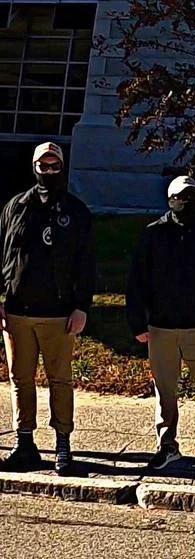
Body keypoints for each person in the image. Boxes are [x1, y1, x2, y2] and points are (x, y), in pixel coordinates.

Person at [126, 177, 195, 473]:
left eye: (191, 197)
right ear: (170, 200)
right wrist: (138, 323)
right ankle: (167, 445)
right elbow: (137, 282)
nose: (186, 203)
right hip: (161, 327)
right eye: (180, 197)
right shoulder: (153, 235)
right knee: (165, 392)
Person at [0, 142, 94, 476]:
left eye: (55, 166)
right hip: (17, 311)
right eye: (43, 166)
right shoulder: (15, 207)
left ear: (62, 168)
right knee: (20, 379)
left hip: (59, 313)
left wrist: (81, 306)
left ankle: (63, 443)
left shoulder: (75, 211)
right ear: (34, 167)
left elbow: (86, 263)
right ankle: (24, 442)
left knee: (60, 380)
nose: (49, 171)